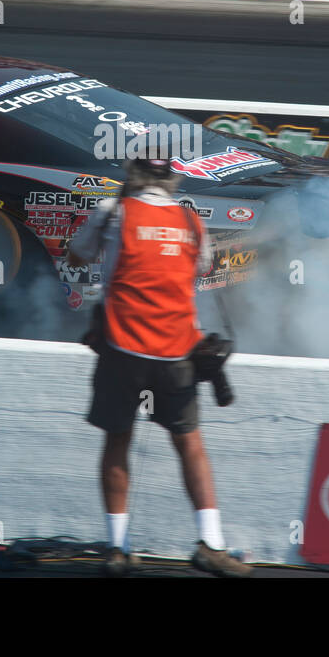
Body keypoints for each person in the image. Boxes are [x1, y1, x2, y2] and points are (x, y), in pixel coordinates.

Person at [66, 155, 252, 578]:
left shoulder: (113, 211)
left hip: (123, 350)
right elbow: (200, 268)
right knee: (191, 446)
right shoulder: (190, 221)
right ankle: (212, 544)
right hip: (176, 352)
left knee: (118, 442)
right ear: (171, 182)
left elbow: (77, 257)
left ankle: (118, 548)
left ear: (132, 179)